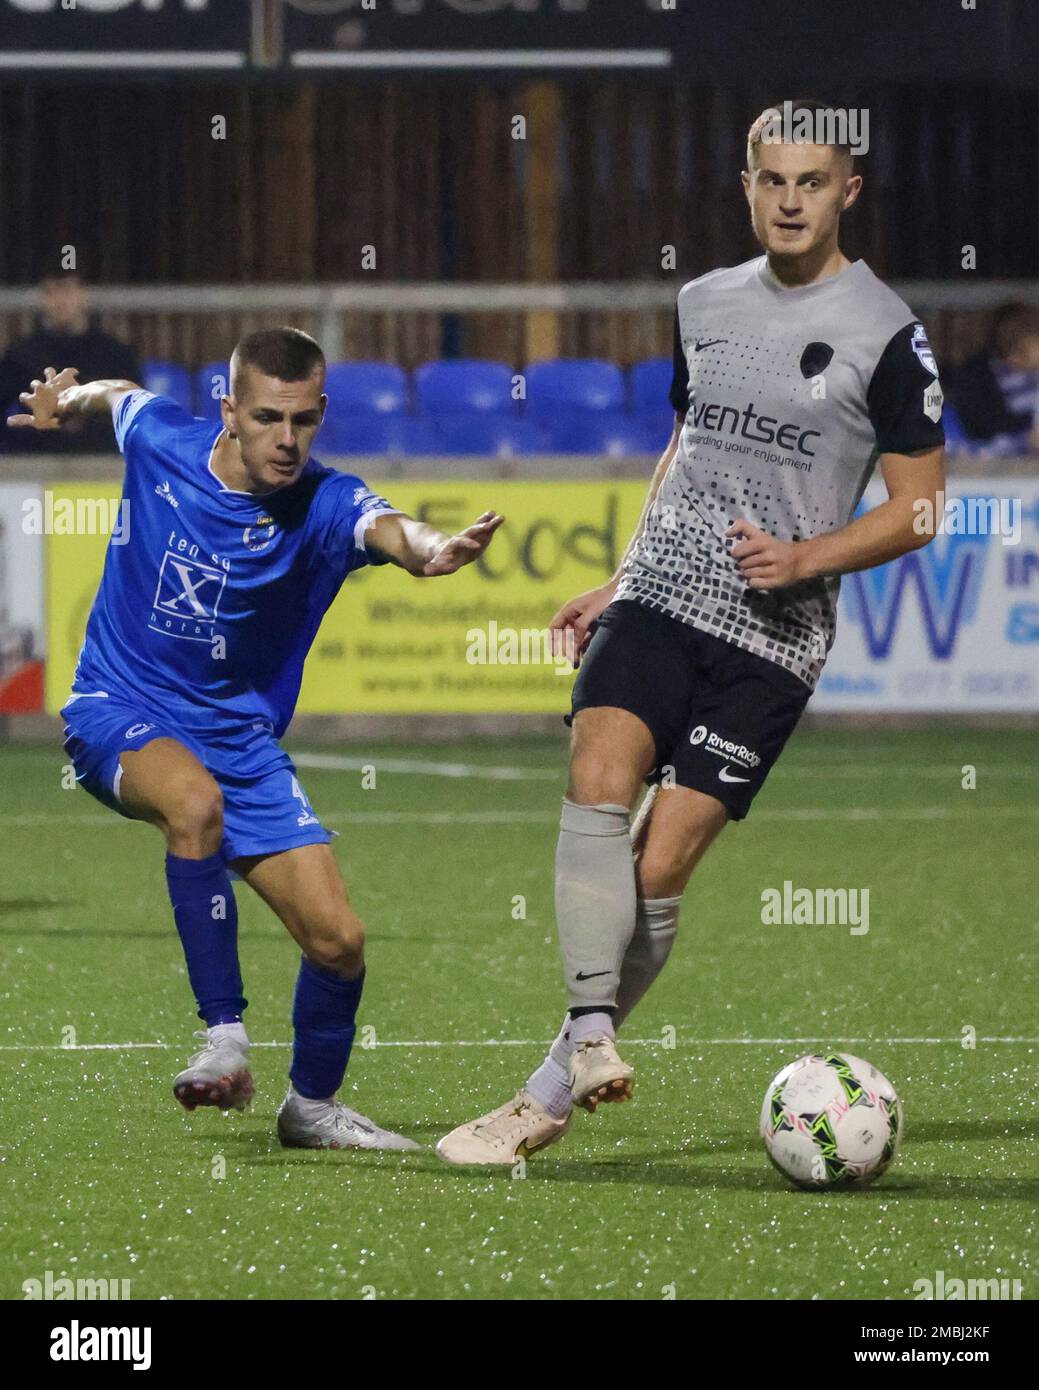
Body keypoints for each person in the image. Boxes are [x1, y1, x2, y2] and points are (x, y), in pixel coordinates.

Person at [437, 99, 946, 1165]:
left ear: (848, 191)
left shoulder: (890, 334)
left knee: (659, 867)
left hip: (775, 636)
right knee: (596, 769)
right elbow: (686, 446)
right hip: (665, 592)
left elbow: (921, 508)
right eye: (772, 180)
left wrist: (804, 558)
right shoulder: (703, 301)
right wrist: (621, 576)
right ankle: (587, 1040)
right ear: (748, 186)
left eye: (812, 182)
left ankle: (543, 1094)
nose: (790, 200)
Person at [8, 327, 503, 1152]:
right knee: (191, 805)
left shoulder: (324, 502)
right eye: (268, 418)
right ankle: (225, 1038)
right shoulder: (166, 440)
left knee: (339, 942)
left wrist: (431, 550)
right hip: (116, 704)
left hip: (237, 740)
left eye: (303, 421)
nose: (286, 440)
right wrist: (65, 401)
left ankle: (310, 1108)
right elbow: (117, 396)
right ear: (228, 410)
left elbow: (390, 527)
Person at [0, 273, 141, 453]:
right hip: (35, 462)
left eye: (67, 290)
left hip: (103, 461)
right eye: (52, 292)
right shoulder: (20, 356)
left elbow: (134, 411)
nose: (60, 301)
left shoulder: (116, 354)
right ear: (42, 298)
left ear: (83, 295)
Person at [946, 302, 1039, 454]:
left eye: (1022, 351)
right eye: (1008, 351)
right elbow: (982, 428)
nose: (1014, 359)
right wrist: (1026, 436)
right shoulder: (977, 377)